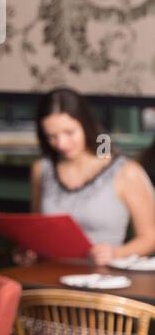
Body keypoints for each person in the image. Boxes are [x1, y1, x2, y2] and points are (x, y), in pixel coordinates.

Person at [28, 88, 155, 265]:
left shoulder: (126, 172)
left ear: (85, 125)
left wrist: (116, 253)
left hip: (102, 279)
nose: (61, 144)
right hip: (47, 274)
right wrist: (29, 250)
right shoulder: (41, 169)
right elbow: (36, 230)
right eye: (51, 136)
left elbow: (150, 238)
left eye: (69, 133)